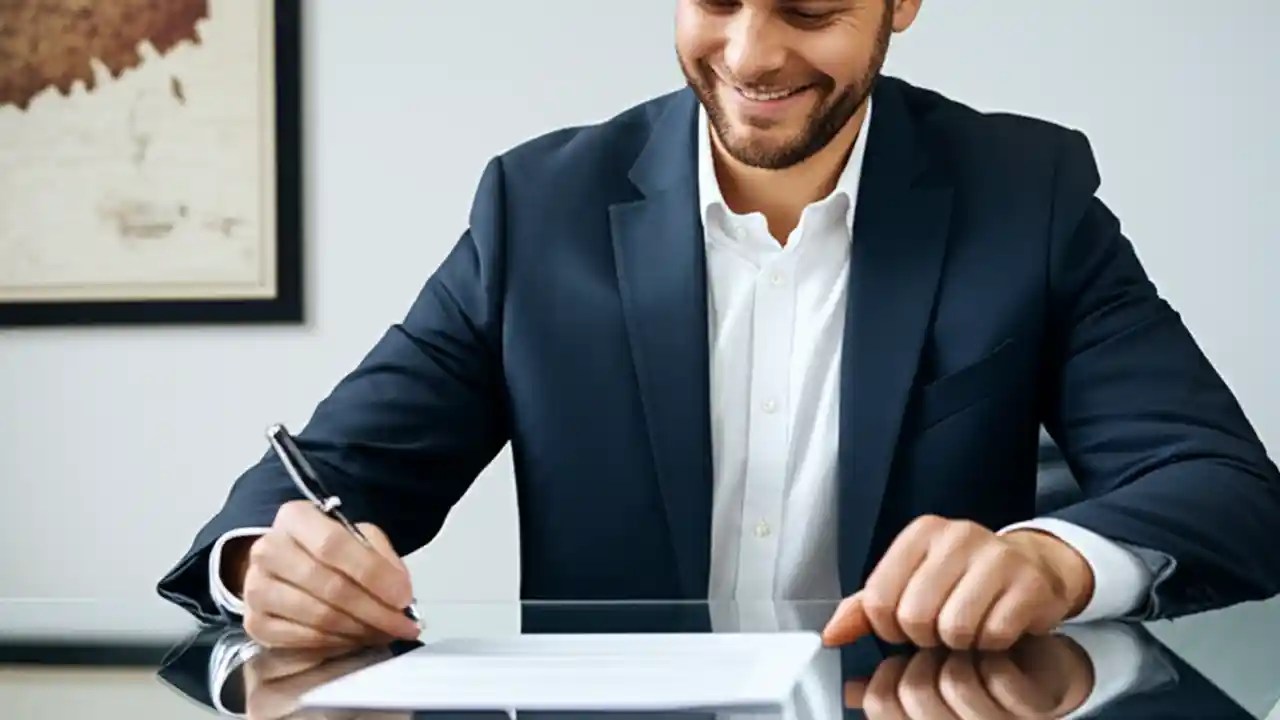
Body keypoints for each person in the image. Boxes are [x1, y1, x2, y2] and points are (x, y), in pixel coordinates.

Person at [158, 0, 1280, 652]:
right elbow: (322, 478)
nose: (749, 56)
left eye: (808, 6)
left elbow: (1225, 489)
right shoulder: (534, 208)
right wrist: (265, 558)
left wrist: (1052, 557)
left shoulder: (1022, 193)